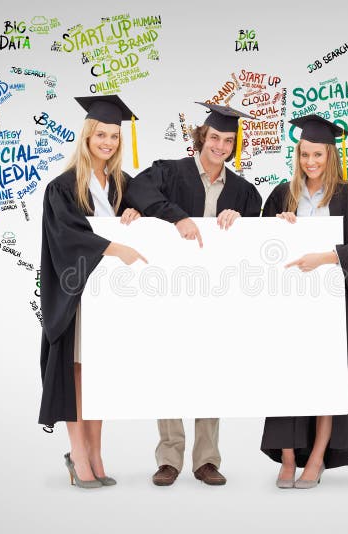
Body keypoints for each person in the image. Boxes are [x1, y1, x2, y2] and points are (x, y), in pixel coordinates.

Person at [126, 102, 263, 486]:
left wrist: (241, 222)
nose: (220, 146)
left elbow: (257, 239)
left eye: (228, 141)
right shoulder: (170, 172)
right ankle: (169, 458)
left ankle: (206, 460)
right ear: (202, 137)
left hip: (217, 297)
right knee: (168, 369)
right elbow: (137, 190)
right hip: (169, 293)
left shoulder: (243, 191)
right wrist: (174, 216)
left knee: (210, 371)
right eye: (215, 137)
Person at [260, 114, 348, 489]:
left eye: (317, 155)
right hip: (290, 305)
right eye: (304, 155)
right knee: (287, 378)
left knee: (327, 377)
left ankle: (316, 457)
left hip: (334, 305)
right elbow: (262, 246)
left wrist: (327, 257)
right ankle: (287, 457)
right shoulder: (283, 195)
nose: (310, 162)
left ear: (331, 155)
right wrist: (277, 226)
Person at [38, 95, 147, 489]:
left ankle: (97, 452)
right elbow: (66, 236)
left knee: (100, 373)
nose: (108, 142)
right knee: (77, 372)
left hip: (112, 296)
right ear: (87, 136)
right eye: (101, 134)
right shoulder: (63, 187)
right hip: (78, 295)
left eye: (114, 136)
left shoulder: (122, 184)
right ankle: (78, 453)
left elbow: (149, 216)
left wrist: (135, 213)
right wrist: (114, 247)